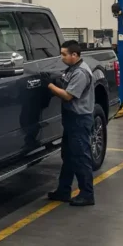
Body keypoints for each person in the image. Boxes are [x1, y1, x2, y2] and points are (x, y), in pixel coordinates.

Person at [43, 40, 96, 207]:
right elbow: (65, 80)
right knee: (68, 156)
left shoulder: (80, 72)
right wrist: (56, 78)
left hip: (79, 120)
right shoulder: (72, 69)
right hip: (72, 119)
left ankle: (87, 194)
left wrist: (49, 85)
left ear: (75, 55)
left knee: (81, 157)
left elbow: (67, 96)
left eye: (64, 54)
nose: (62, 57)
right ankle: (63, 190)